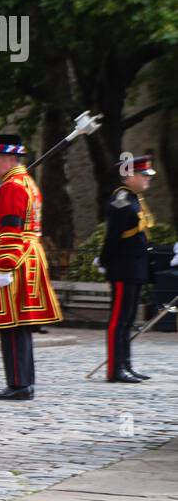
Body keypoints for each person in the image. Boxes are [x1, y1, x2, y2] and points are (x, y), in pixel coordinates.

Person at [0, 133, 62, 400]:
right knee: (19, 326)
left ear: (11, 158)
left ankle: (18, 384)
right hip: (26, 258)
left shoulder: (12, 186)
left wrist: (5, 265)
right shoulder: (23, 183)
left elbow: (12, 229)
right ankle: (23, 381)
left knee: (12, 325)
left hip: (14, 260)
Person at [97, 154, 157, 383]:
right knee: (118, 320)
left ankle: (126, 365)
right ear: (129, 175)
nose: (147, 179)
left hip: (135, 267)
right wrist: (104, 260)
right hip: (123, 268)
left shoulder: (134, 199)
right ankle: (115, 369)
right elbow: (113, 237)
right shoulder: (121, 200)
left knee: (129, 319)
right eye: (143, 175)